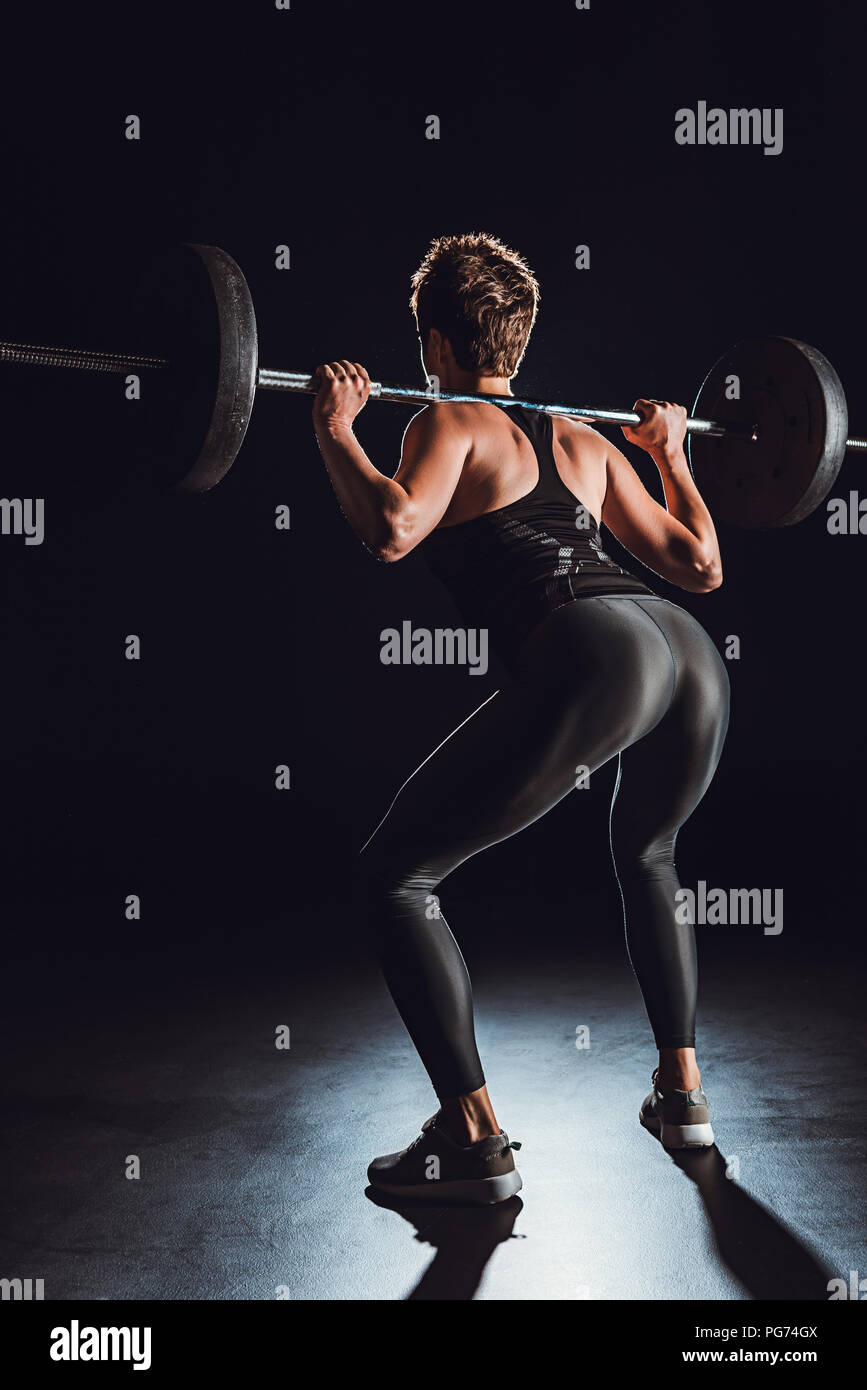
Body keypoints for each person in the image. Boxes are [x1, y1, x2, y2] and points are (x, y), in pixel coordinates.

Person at [312, 233, 729, 1205]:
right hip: (685, 651)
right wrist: (671, 457)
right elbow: (703, 567)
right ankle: (683, 1095)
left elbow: (390, 531)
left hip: (596, 650)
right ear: (517, 340)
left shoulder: (443, 421)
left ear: (440, 345)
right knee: (651, 854)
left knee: (395, 878)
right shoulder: (582, 442)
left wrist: (337, 430)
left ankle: (475, 1141)